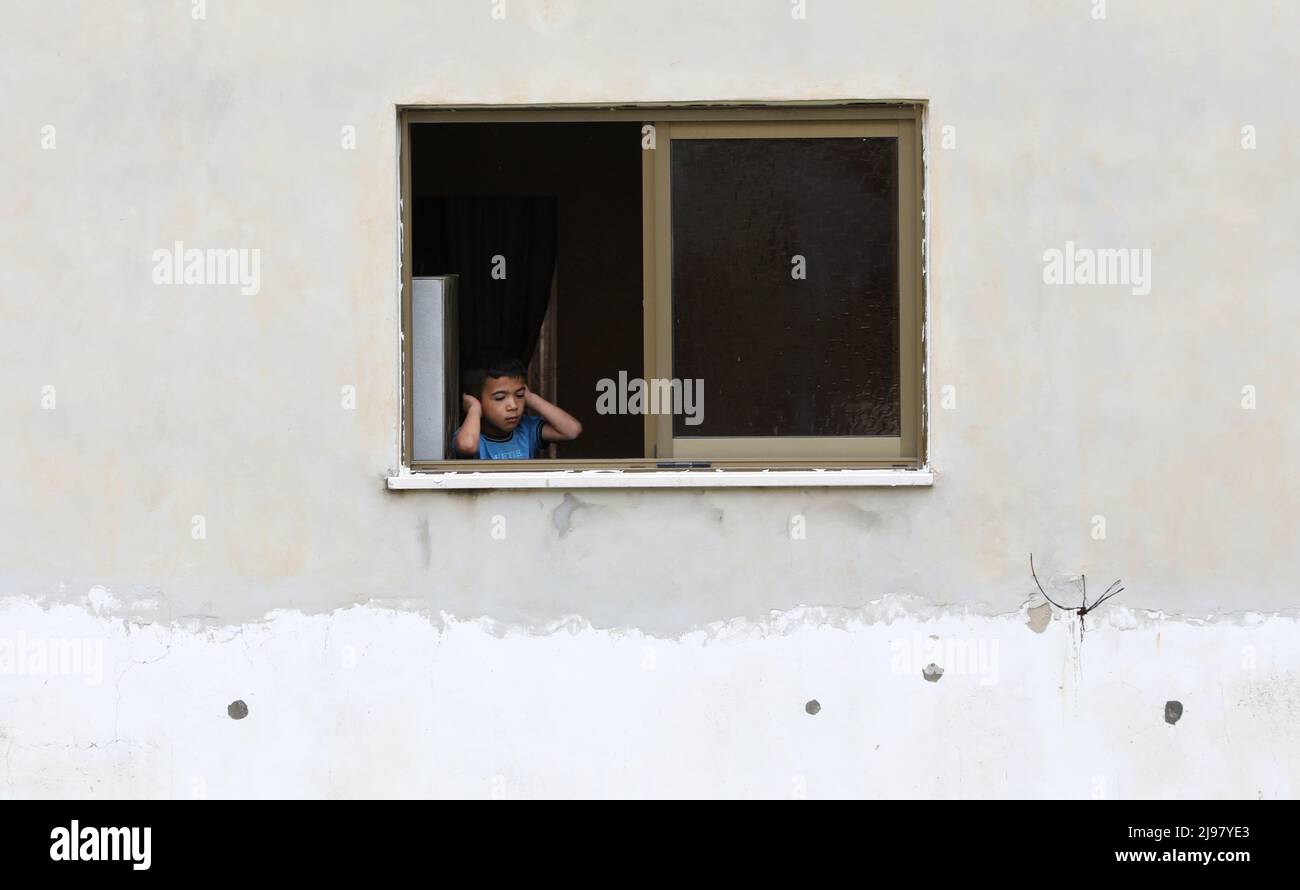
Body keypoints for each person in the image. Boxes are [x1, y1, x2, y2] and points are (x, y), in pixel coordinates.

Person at [452, 352, 582, 459]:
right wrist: (474, 409)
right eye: (500, 398)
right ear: (476, 400)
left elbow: (572, 430)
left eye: (519, 395)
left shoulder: (526, 429)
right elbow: (467, 446)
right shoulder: (470, 435)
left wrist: (531, 398)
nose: (513, 406)